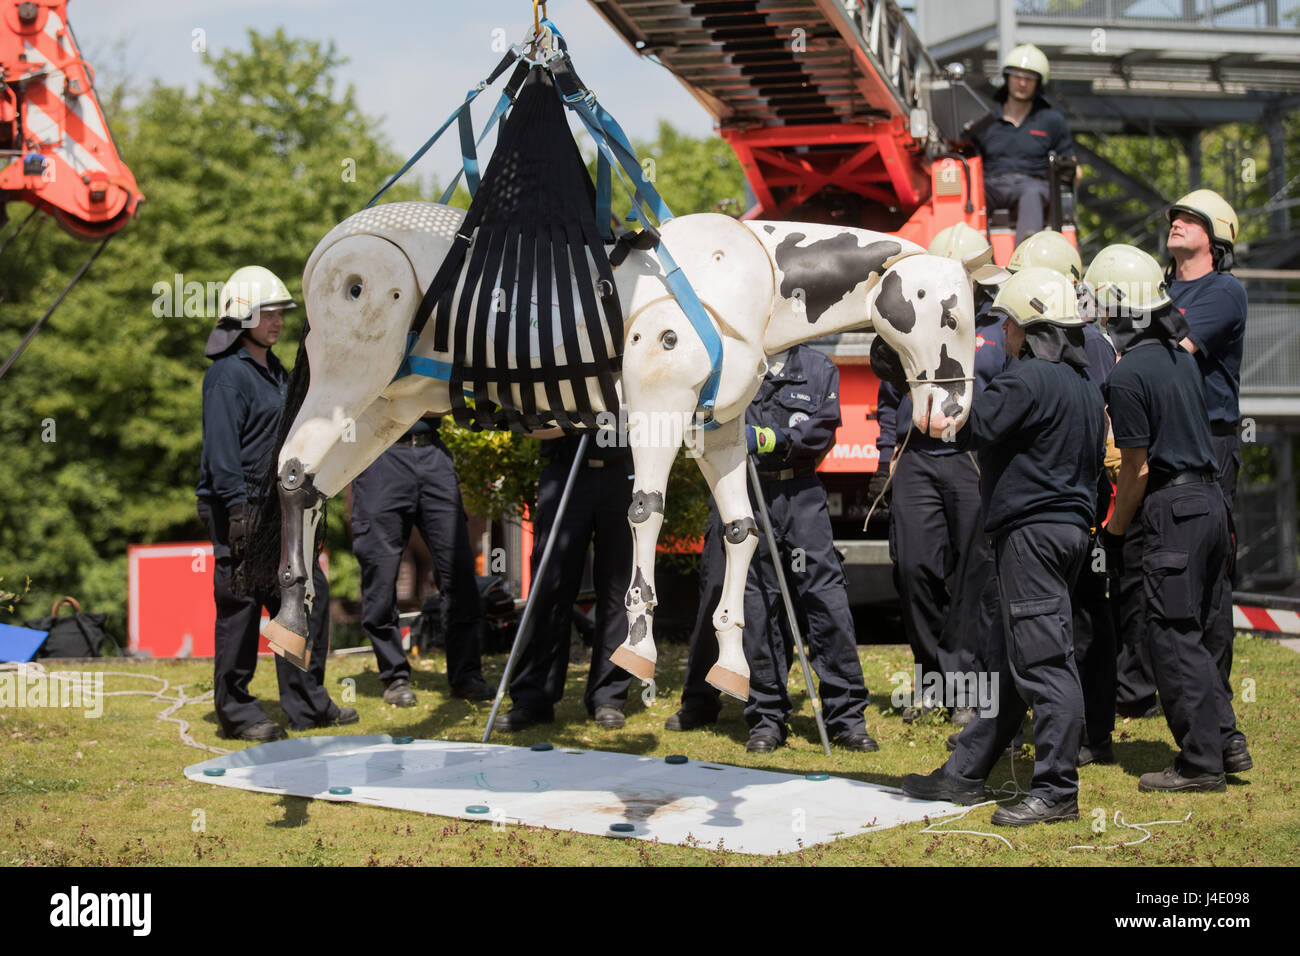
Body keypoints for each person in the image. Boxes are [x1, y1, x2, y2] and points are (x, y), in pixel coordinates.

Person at [902, 267, 1106, 826]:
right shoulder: (1086, 387)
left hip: (1030, 537)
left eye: (1009, 324)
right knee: (1006, 661)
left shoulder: (1028, 380)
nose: (1005, 334)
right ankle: (965, 773)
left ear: (1029, 328)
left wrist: (933, 380)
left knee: (1043, 664)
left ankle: (1058, 790)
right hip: (1066, 534)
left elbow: (965, 428)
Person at [1088, 244, 1250, 791]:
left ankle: (1201, 763)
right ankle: (1223, 741)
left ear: (1117, 308)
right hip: (1211, 505)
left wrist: (1113, 532)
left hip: (1173, 511)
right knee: (1201, 632)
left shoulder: (1129, 373)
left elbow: (1134, 470)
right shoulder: (1181, 358)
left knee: (1170, 635)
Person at [666, 345, 876, 753]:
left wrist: (771, 438)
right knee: (757, 607)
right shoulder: (729, 367)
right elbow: (694, 426)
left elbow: (824, 429)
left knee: (826, 603)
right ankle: (766, 718)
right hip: (745, 493)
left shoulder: (818, 368)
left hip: (802, 495)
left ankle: (846, 718)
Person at [197, 265, 357, 742]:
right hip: (239, 507)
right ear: (242, 315)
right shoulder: (227, 377)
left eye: (281, 312)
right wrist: (238, 514)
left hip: (278, 508)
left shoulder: (275, 372)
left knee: (305, 595)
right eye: (268, 311)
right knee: (241, 605)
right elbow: (221, 455)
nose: (277, 320)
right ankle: (237, 711)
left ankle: (307, 703)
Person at [874, 222, 1008, 726]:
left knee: (974, 575)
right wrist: (885, 453)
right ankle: (933, 678)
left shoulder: (999, 326)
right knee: (913, 570)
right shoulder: (913, 322)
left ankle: (966, 688)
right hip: (919, 457)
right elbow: (889, 398)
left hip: (974, 461)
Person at [1009, 231, 1120, 766]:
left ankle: (1085, 735)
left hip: (1066, 499)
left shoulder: (1088, 347)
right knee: (1062, 618)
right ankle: (1072, 731)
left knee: (1075, 619)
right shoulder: (1084, 344)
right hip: (1074, 501)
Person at [492, 433, 635, 732]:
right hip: (565, 467)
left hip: (622, 472)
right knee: (549, 586)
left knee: (619, 589)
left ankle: (607, 697)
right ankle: (533, 698)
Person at [351, 416, 493, 708]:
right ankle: (394, 676)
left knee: (459, 572)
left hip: (433, 454)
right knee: (380, 572)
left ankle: (466, 675)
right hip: (379, 452)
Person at [974, 44, 1078, 246]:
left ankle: (1025, 258)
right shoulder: (986, 121)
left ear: (1038, 83)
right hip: (992, 184)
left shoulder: (1051, 120)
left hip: (1033, 184)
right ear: (1007, 78)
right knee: (969, 195)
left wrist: (1073, 175)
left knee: (1032, 192)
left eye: (1029, 78)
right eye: (1017, 76)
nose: (1022, 83)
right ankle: (973, 255)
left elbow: (1071, 163)